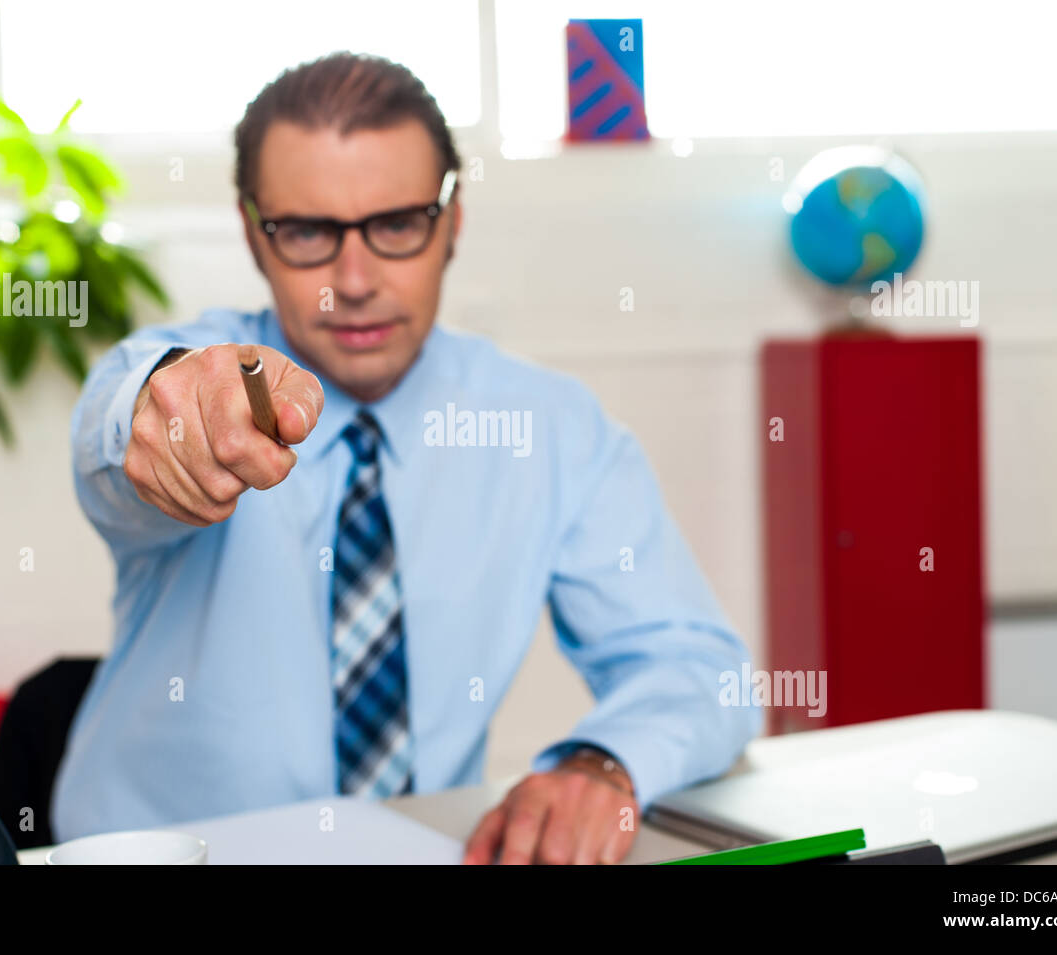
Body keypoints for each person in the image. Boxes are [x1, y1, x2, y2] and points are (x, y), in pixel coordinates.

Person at [53, 52, 761, 864]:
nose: (354, 280)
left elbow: (700, 666)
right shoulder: (192, 388)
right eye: (310, 232)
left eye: (397, 225)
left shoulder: (553, 429)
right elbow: (119, 434)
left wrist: (606, 763)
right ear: (255, 234)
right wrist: (162, 406)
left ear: (452, 223)